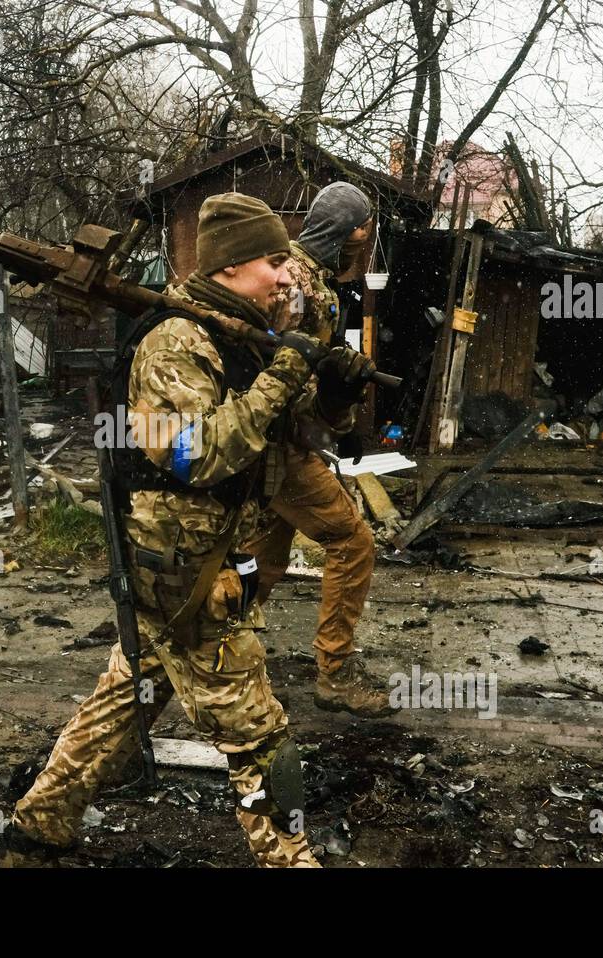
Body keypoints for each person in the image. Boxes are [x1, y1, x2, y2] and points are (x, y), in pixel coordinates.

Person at [0, 192, 363, 867]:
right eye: (272, 260)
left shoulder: (240, 331)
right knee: (259, 737)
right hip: (185, 574)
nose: (286, 275)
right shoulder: (174, 343)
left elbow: (292, 425)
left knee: (128, 697)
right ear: (227, 268)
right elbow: (194, 455)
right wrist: (285, 374)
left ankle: (36, 828)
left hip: (208, 561)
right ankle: (291, 859)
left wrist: (333, 391)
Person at [245, 181, 389, 717]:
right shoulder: (306, 286)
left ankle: (217, 653)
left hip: (266, 443)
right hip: (283, 446)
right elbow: (281, 370)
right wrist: (334, 409)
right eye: (361, 232)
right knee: (353, 543)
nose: (362, 243)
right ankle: (335, 674)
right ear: (347, 232)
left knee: (265, 560)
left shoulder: (294, 272)